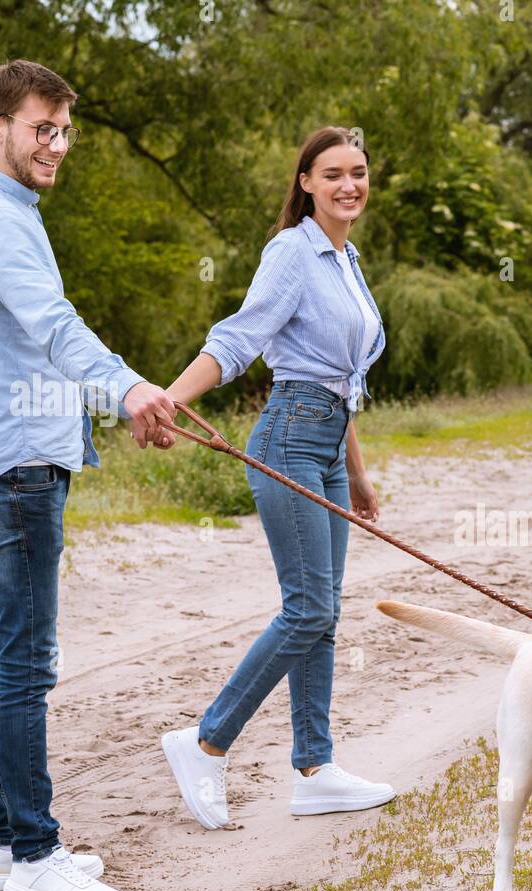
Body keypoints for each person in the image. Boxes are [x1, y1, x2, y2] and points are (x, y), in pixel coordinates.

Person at [0, 60, 176, 891]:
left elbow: (39, 338)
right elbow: (54, 325)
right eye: (43, 127)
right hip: (15, 469)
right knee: (27, 663)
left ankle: (2, 843)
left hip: (9, 461)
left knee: (8, 657)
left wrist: (114, 397)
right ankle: (37, 852)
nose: (58, 145)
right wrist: (129, 389)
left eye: (65, 130)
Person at [160, 126, 394, 826]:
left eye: (358, 172)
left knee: (325, 611)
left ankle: (315, 769)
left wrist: (355, 473)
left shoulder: (346, 259)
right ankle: (205, 742)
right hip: (288, 436)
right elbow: (240, 337)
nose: (348, 184)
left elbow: (343, 382)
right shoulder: (294, 251)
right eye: (332, 174)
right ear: (306, 184)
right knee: (308, 608)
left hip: (326, 444)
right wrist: (170, 400)